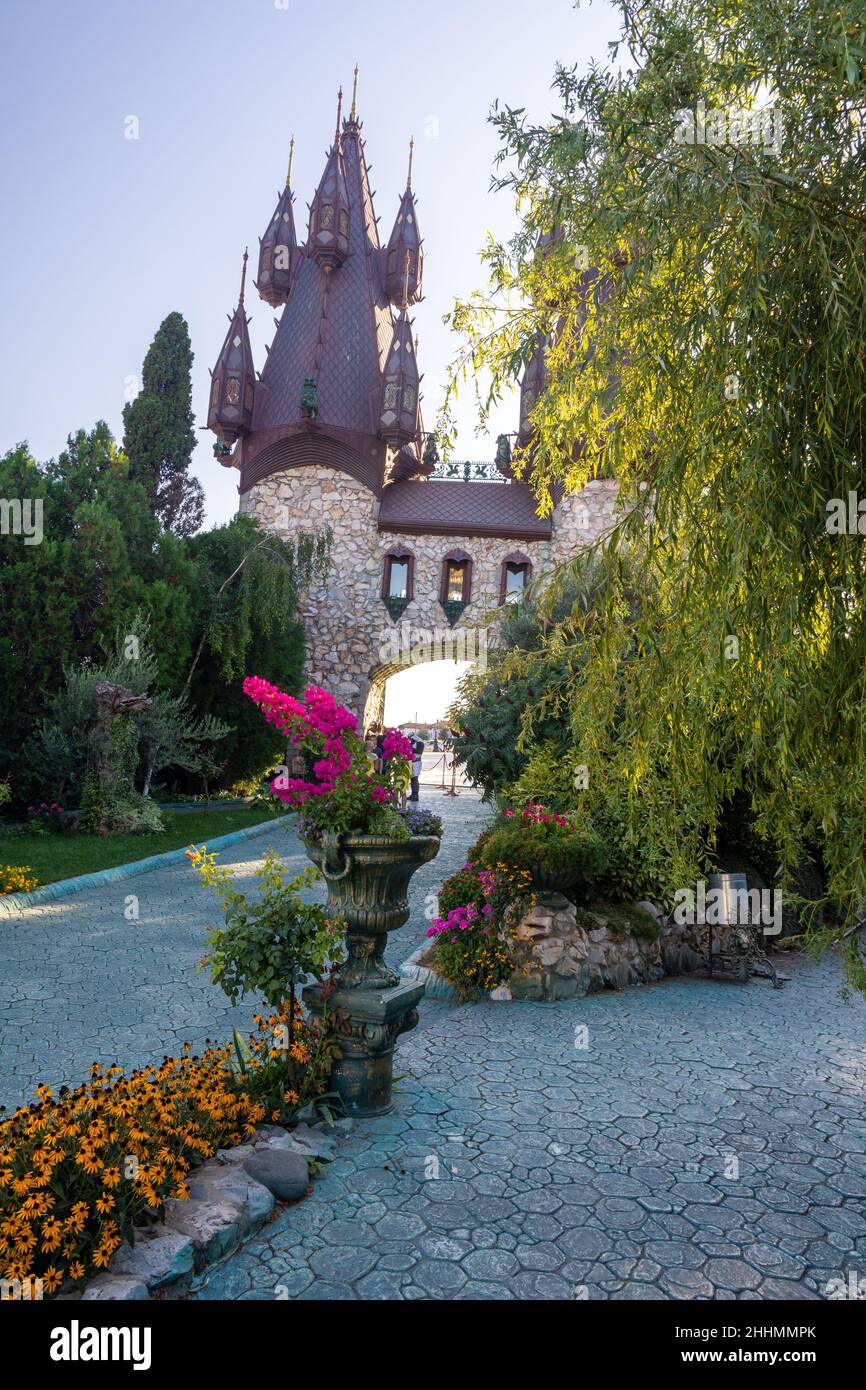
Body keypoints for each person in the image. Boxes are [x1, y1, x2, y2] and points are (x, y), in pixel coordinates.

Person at [408, 731, 425, 802]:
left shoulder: (420, 743)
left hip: (416, 763)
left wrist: (409, 747)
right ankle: (413, 794)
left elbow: (419, 751)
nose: (409, 739)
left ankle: (415, 795)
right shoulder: (413, 742)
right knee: (412, 779)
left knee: (415, 779)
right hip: (412, 762)